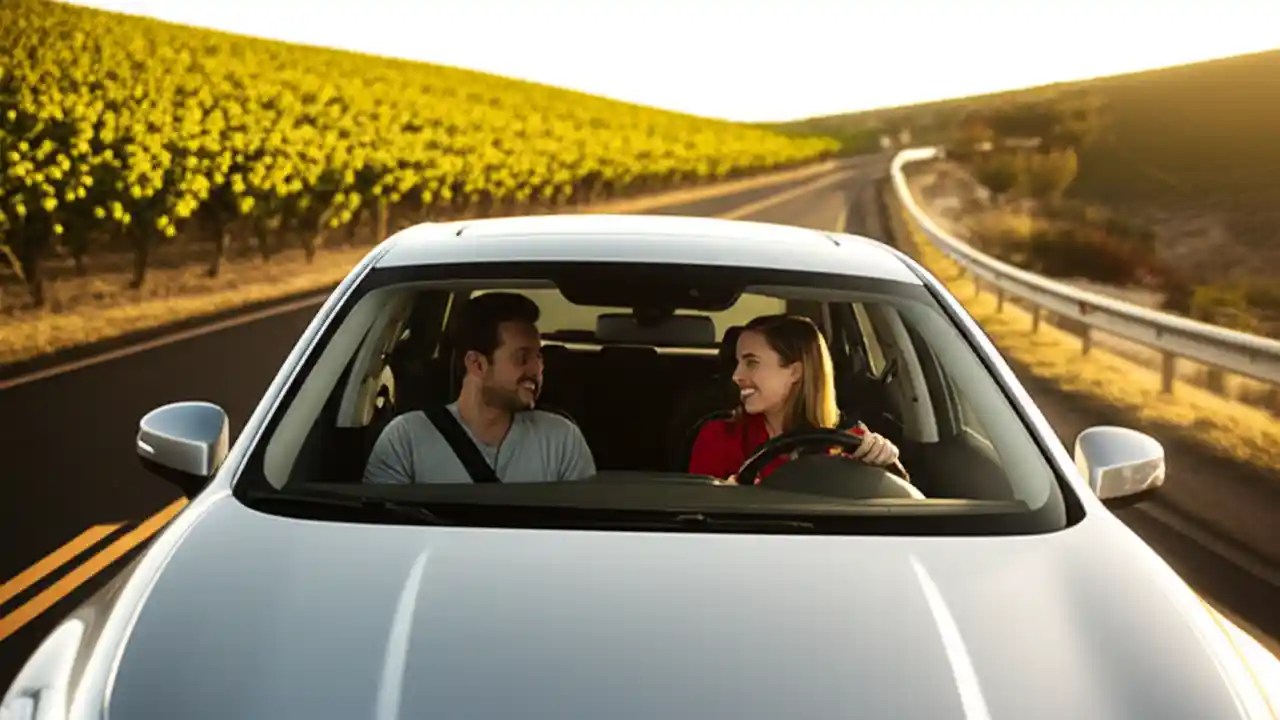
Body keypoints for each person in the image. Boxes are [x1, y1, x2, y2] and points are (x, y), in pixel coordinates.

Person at [363, 292, 596, 484]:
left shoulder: (561, 440)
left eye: (539, 357)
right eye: (522, 357)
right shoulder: (407, 440)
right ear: (477, 364)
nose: (537, 370)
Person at [687, 314, 900, 484]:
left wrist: (883, 461)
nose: (736, 376)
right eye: (738, 362)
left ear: (795, 372)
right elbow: (699, 526)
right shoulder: (719, 438)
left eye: (751, 363)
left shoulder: (853, 444)